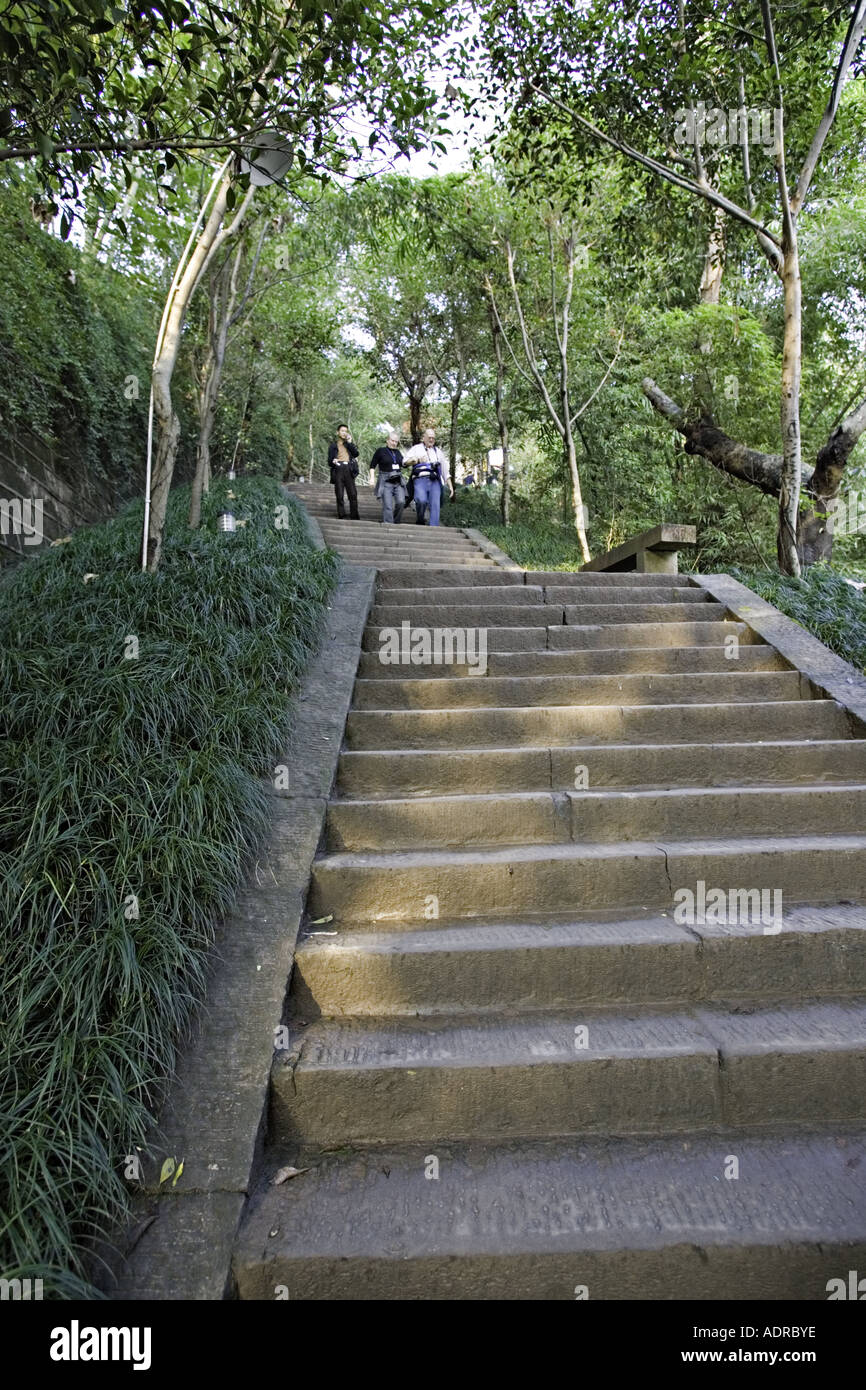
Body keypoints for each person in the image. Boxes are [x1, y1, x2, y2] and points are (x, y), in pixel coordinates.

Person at [402, 428, 454, 525]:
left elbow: (445, 470)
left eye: (433, 438)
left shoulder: (438, 452)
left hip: (434, 481)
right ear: (424, 438)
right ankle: (420, 519)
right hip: (420, 479)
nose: (431, 440)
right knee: (421, 500)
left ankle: (434, 528)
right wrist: (416, 460)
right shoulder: (416, 448)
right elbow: (404, 462)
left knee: (435, 505)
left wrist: (451, 487)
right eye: (429, 437)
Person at [370, 431, 406, 524]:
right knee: (388, 505)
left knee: (401, 502)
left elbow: (403, 464)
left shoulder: (398, 452)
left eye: (396, 442)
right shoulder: (381, 451)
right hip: (385, 479)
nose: (394, 443)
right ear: (387, 440)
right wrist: (372, 478)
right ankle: (389, 524)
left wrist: (413, 461)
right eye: (392, 440)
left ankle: (395, 521)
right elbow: (372, 465)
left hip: (397, 479)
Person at [327, 424, 360, 519]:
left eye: (346, 431)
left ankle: (354, 515)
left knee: (353, 494)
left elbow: (356, 454)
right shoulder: (333, 445)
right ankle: (341, 515)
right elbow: (329, 461)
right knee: (339, 493)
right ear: (337, 432)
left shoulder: (348, 444)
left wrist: (349, 442)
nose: (344, 433)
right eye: (342, 431)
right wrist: (333, 461)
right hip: (338, 469)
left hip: (349, 468)